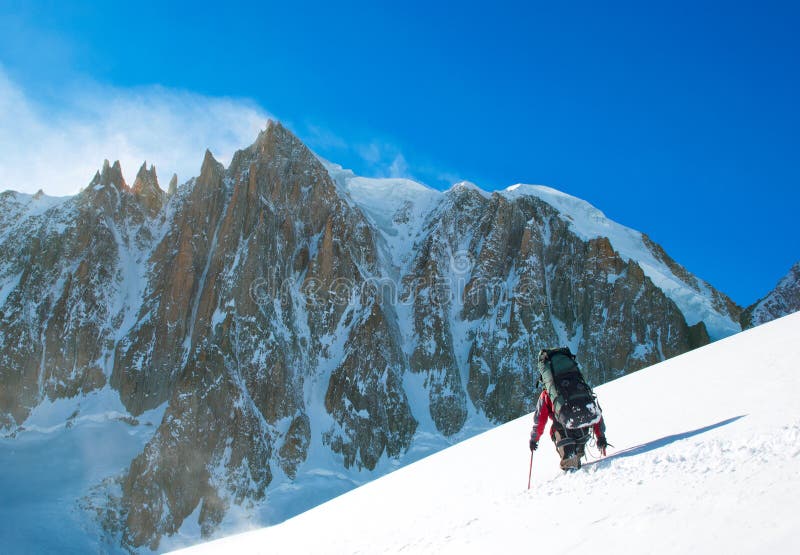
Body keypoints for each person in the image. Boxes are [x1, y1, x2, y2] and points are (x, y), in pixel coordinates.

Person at [529, 388, 608, 471]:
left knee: (571, 467)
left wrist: (534, 439)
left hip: (563, 434)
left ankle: (573, 466)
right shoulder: (580, 386)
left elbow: (540, 420)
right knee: (576, 459)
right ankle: (576, 458)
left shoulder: (547, 393)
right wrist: (601, 436)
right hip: (582, 432)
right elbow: (594, 412)